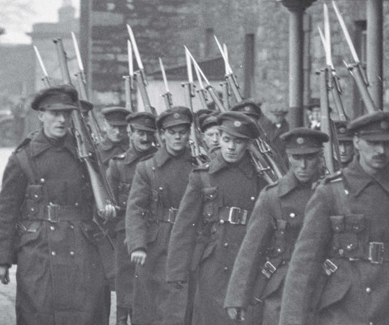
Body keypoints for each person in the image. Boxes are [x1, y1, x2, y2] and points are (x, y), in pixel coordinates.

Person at [0, 85, 108, 324]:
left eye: (66, 114)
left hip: (81, 246)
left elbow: (102, 197)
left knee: (87, 311)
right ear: (41, 115)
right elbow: (6, 210)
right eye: (55, 113)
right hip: (39, 250)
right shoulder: (23, 157)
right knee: (39, 312)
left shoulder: (84, 154)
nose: (61, 120)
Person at [280, 112, 389, 325]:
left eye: (386, 143)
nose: (381, 151)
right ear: (356, 142)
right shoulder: (331, 192)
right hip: (344, 310)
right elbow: (305, 263)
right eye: (373, 143)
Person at [167, 112, 269, 325]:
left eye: (238, 141)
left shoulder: (261, 177)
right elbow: (184, 226)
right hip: (213, 262)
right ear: (219, 140)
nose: (231, 147)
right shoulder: (202, 176)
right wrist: (177, 270)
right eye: (226, 139)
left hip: (249, 261)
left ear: (248, 144)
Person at [224, 128, 328, 325]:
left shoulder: (333, 193)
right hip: (281, 287)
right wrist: (237, 297)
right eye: (297, 158)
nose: (303, 165)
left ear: (320, 157)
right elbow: (251, 249)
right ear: (288, 157)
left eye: (309, 157)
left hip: (324, 285)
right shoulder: (272, 196)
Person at [126, 106, 196, 325]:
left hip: (188, 241)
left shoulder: (199, 168)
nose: (177, 137)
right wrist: (137, 245)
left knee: (183, 304)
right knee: (151, 307)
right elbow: (135, 209)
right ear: (162, 134)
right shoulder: (147, 168)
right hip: (156, 245)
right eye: (172, 132)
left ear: (189, 134)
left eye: (182, 132)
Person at [106, 111, 157, 324]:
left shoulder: (159, 161)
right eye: (140, 133)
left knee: (148, 285)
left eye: (149, 133)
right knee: (125, 280)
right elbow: (108, 199)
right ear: (130, 133)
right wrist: (109, 209)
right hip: (125, 231)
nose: (145, 138)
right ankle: (121, 319)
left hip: (154, 231)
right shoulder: (118, 164)